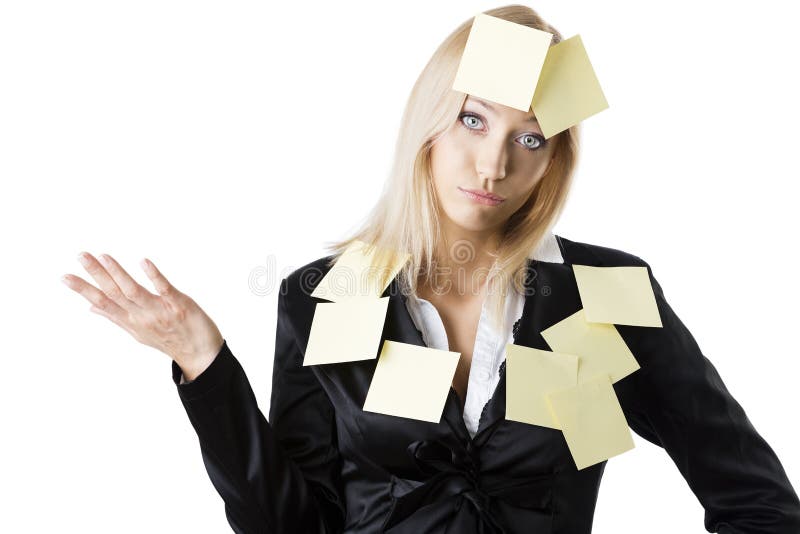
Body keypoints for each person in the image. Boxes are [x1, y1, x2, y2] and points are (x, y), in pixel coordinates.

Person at [62, 5, 800, 533]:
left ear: (555, 160)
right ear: (430, 120)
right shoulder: (328, 297)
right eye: (474, 119)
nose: (495, 163)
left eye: (532, 138)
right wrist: (203, 361)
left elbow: (761, 504)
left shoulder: (607, 296)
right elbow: (292, 525)